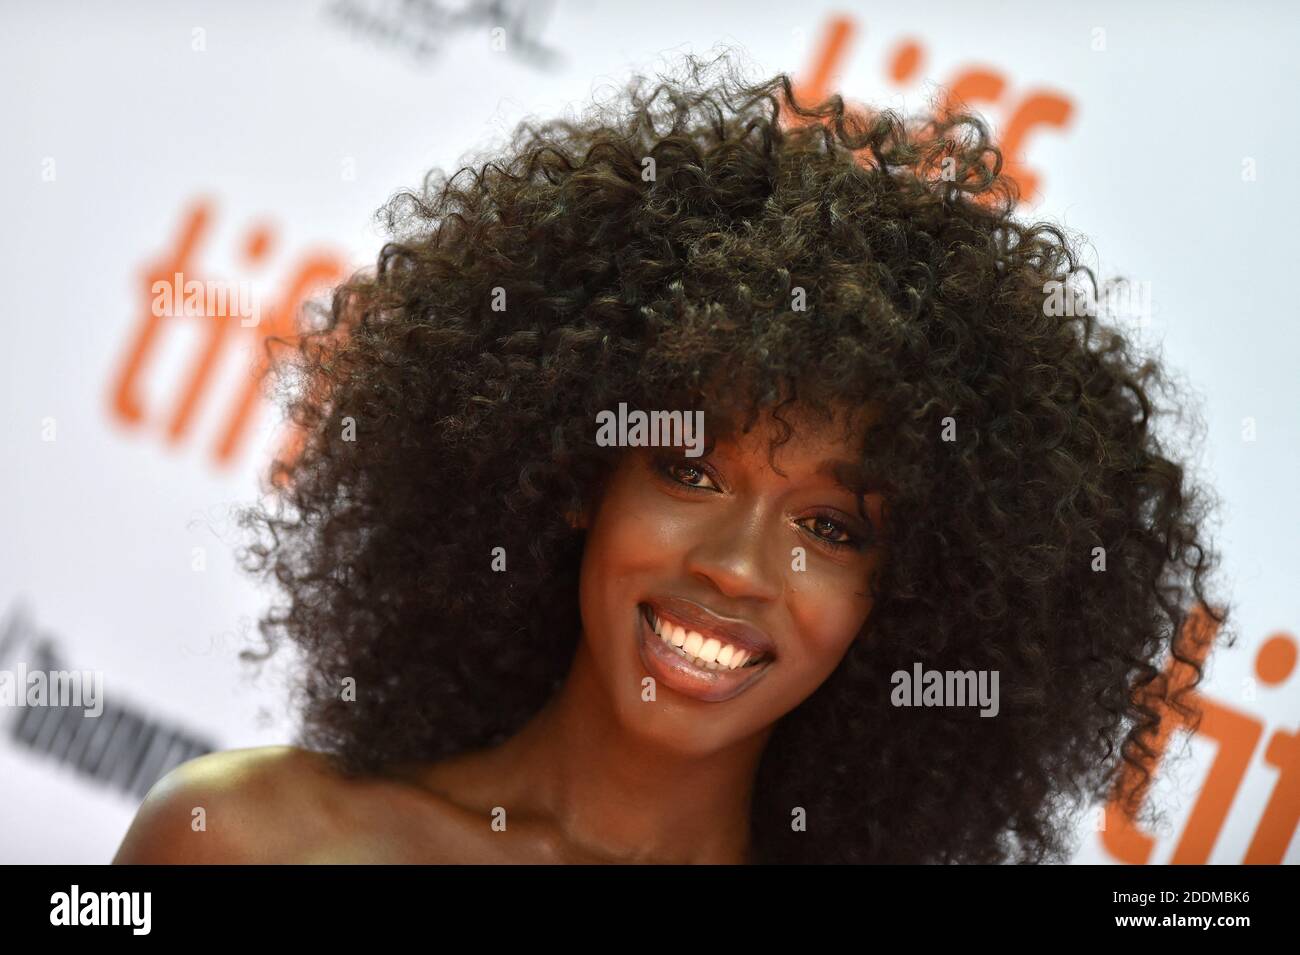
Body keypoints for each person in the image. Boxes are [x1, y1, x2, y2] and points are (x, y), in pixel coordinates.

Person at [112, 52, 1231, 865]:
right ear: (566, 478)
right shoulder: (249, 842)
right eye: (690, 471)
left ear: (902, 608)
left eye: (830, 529)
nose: (740, 567)